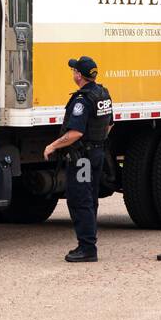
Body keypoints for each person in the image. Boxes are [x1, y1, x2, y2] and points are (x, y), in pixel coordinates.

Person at [43, 56, 113, 262]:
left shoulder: (82, 100)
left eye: (74, 70)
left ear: (79, 75)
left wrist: (53, 145)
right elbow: (109, 125)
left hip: (83, 158)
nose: (72, 73)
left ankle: (87, 248)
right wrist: (96, 142)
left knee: (79, 199)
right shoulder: (103, 94)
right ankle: (88, 243)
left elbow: (75, 133)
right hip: (97, 153)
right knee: (90, 198)